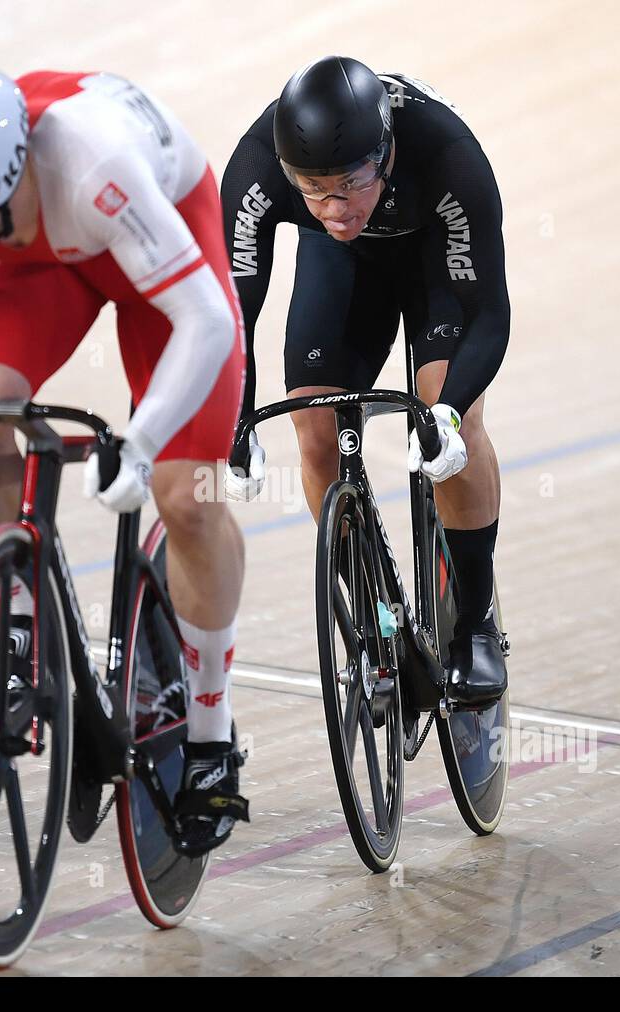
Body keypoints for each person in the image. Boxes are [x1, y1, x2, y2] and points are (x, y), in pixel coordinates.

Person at [0, 64, 249, 853]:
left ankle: (212, 729)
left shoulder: (96, 166)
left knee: (188, 498)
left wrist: (140, 446)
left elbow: (205, 319)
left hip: (155, 226)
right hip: (32, 260)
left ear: (3, 176)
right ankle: (20, 627)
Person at [220, 55, 510, 707]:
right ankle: (377, 623)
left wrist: (451, 416)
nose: (333, 204)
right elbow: (233, 314)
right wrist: (235, 419)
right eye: (313, 188)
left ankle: (475, 625)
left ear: (384, 153)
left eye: (349, 184)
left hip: (436, 257)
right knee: (315, 429)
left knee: (442, 411)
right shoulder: (258, 170)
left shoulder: (448, 157)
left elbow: (488, 314)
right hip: (345, 266)